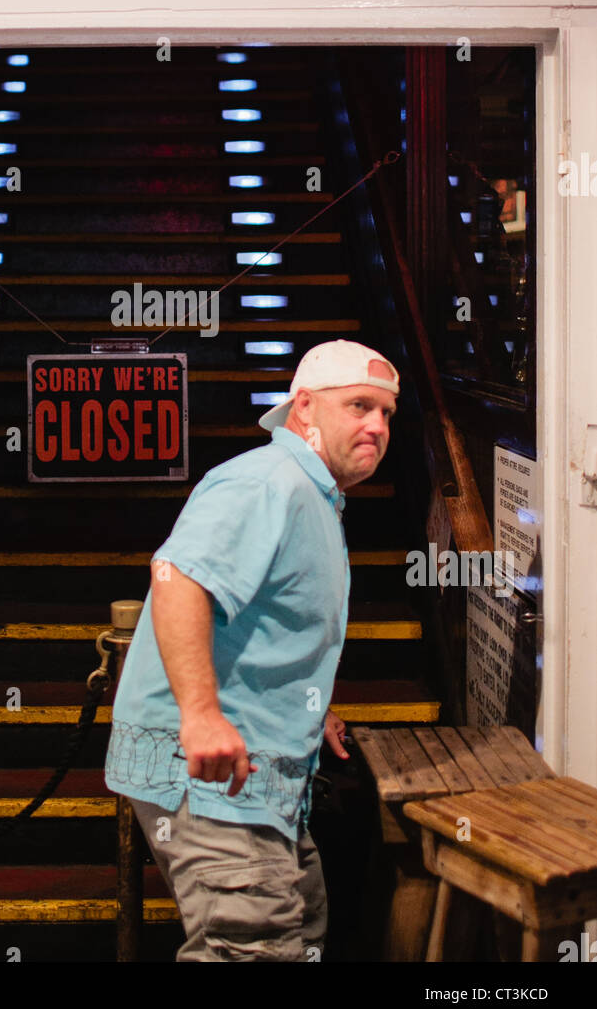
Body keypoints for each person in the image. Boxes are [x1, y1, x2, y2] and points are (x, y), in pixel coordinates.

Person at [104, 339, 400, 961]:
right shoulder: (268, 481)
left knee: (303, 927)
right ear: (305, 409)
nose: (376, 424)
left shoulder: (311, 492)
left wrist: (311, 707)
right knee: (252, 947)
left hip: (261, 776)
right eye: (359, 406)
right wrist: (203, 714)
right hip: (206, 772)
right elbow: (178, 579)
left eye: (386, 413)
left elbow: (267, 623)